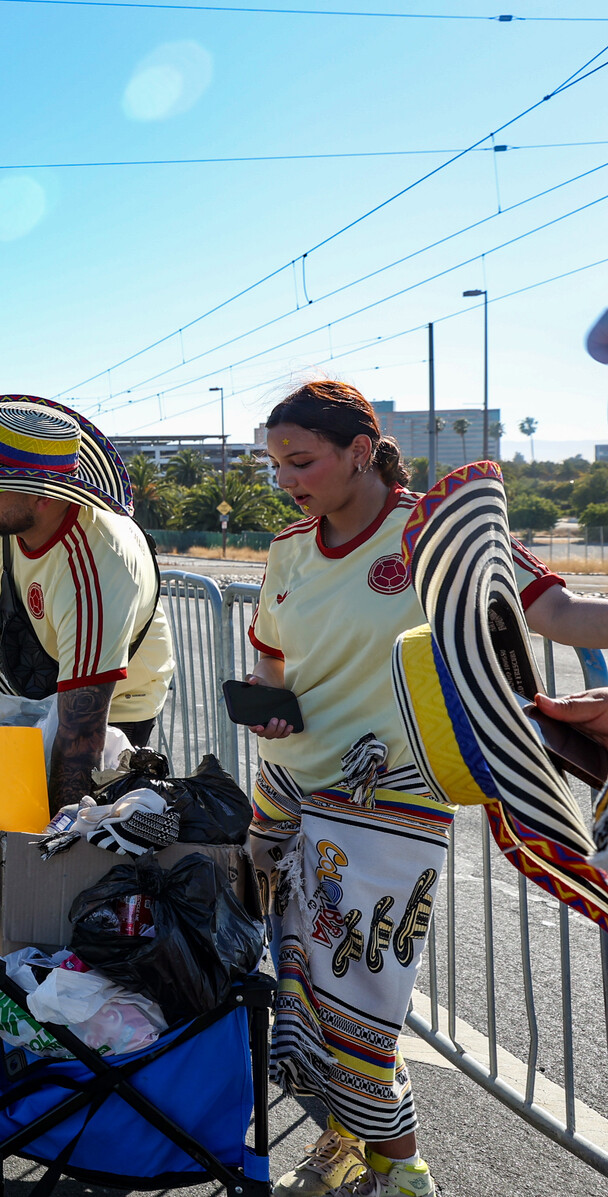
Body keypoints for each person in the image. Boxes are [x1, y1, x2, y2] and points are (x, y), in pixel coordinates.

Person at [241, 381, 608, 1197]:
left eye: (300, 461)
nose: (285, 479)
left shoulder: (438, 531)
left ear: (360, 451)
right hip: (287, 792)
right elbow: (273, 660)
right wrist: (267, 705)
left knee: (359, 996)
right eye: (276, 464)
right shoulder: (289, 548)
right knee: (302, 987)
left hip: (391, 804)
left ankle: (404, 1170)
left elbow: (565, 613)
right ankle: (347, 1140)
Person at [0, 397, 175, 813]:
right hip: (43, 682)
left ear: (41, 495)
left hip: (115, 699)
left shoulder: (93, 570)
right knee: (10, 811)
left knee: (88, 823)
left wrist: (56, 851)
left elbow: (82, 738)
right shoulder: (4, 518)